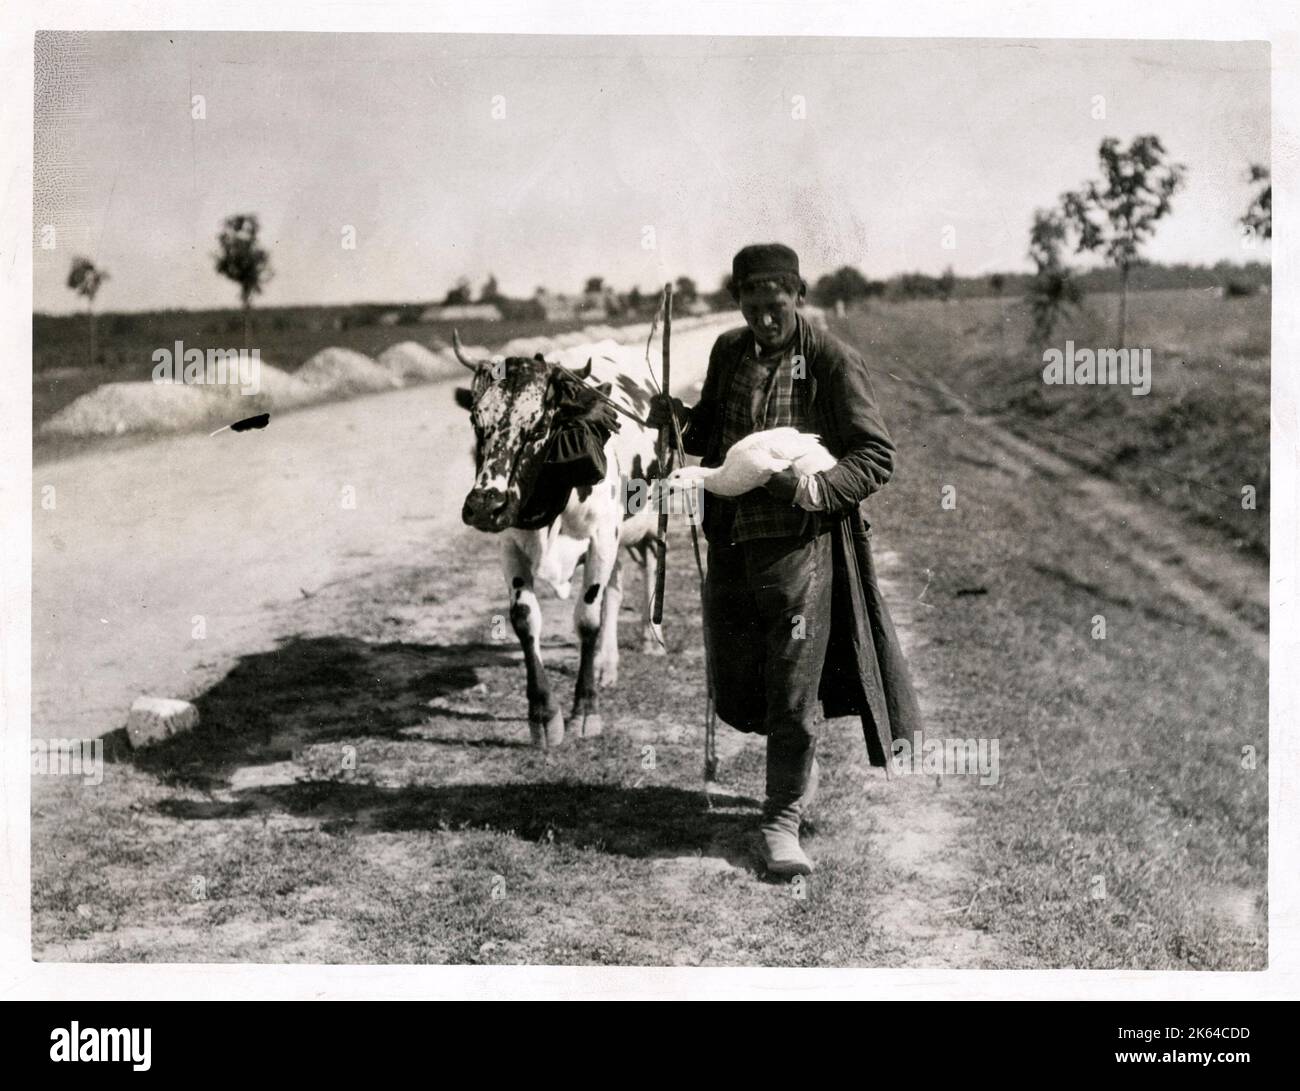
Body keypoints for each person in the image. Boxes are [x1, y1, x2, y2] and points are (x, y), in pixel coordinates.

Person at [646, 242, 921, 877]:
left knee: (794, 690)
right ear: (737, 300)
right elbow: (712, 433)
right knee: (743, 687)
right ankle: (797, 770)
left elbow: (875, 455)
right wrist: (677, 421)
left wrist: (810, 490)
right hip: (735, 546)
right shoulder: (727, 352)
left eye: (776, 305)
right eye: (752, 305)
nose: (765, 319)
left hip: (803, 550)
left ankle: (781, 823)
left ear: (797, 296)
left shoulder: (829, 359)